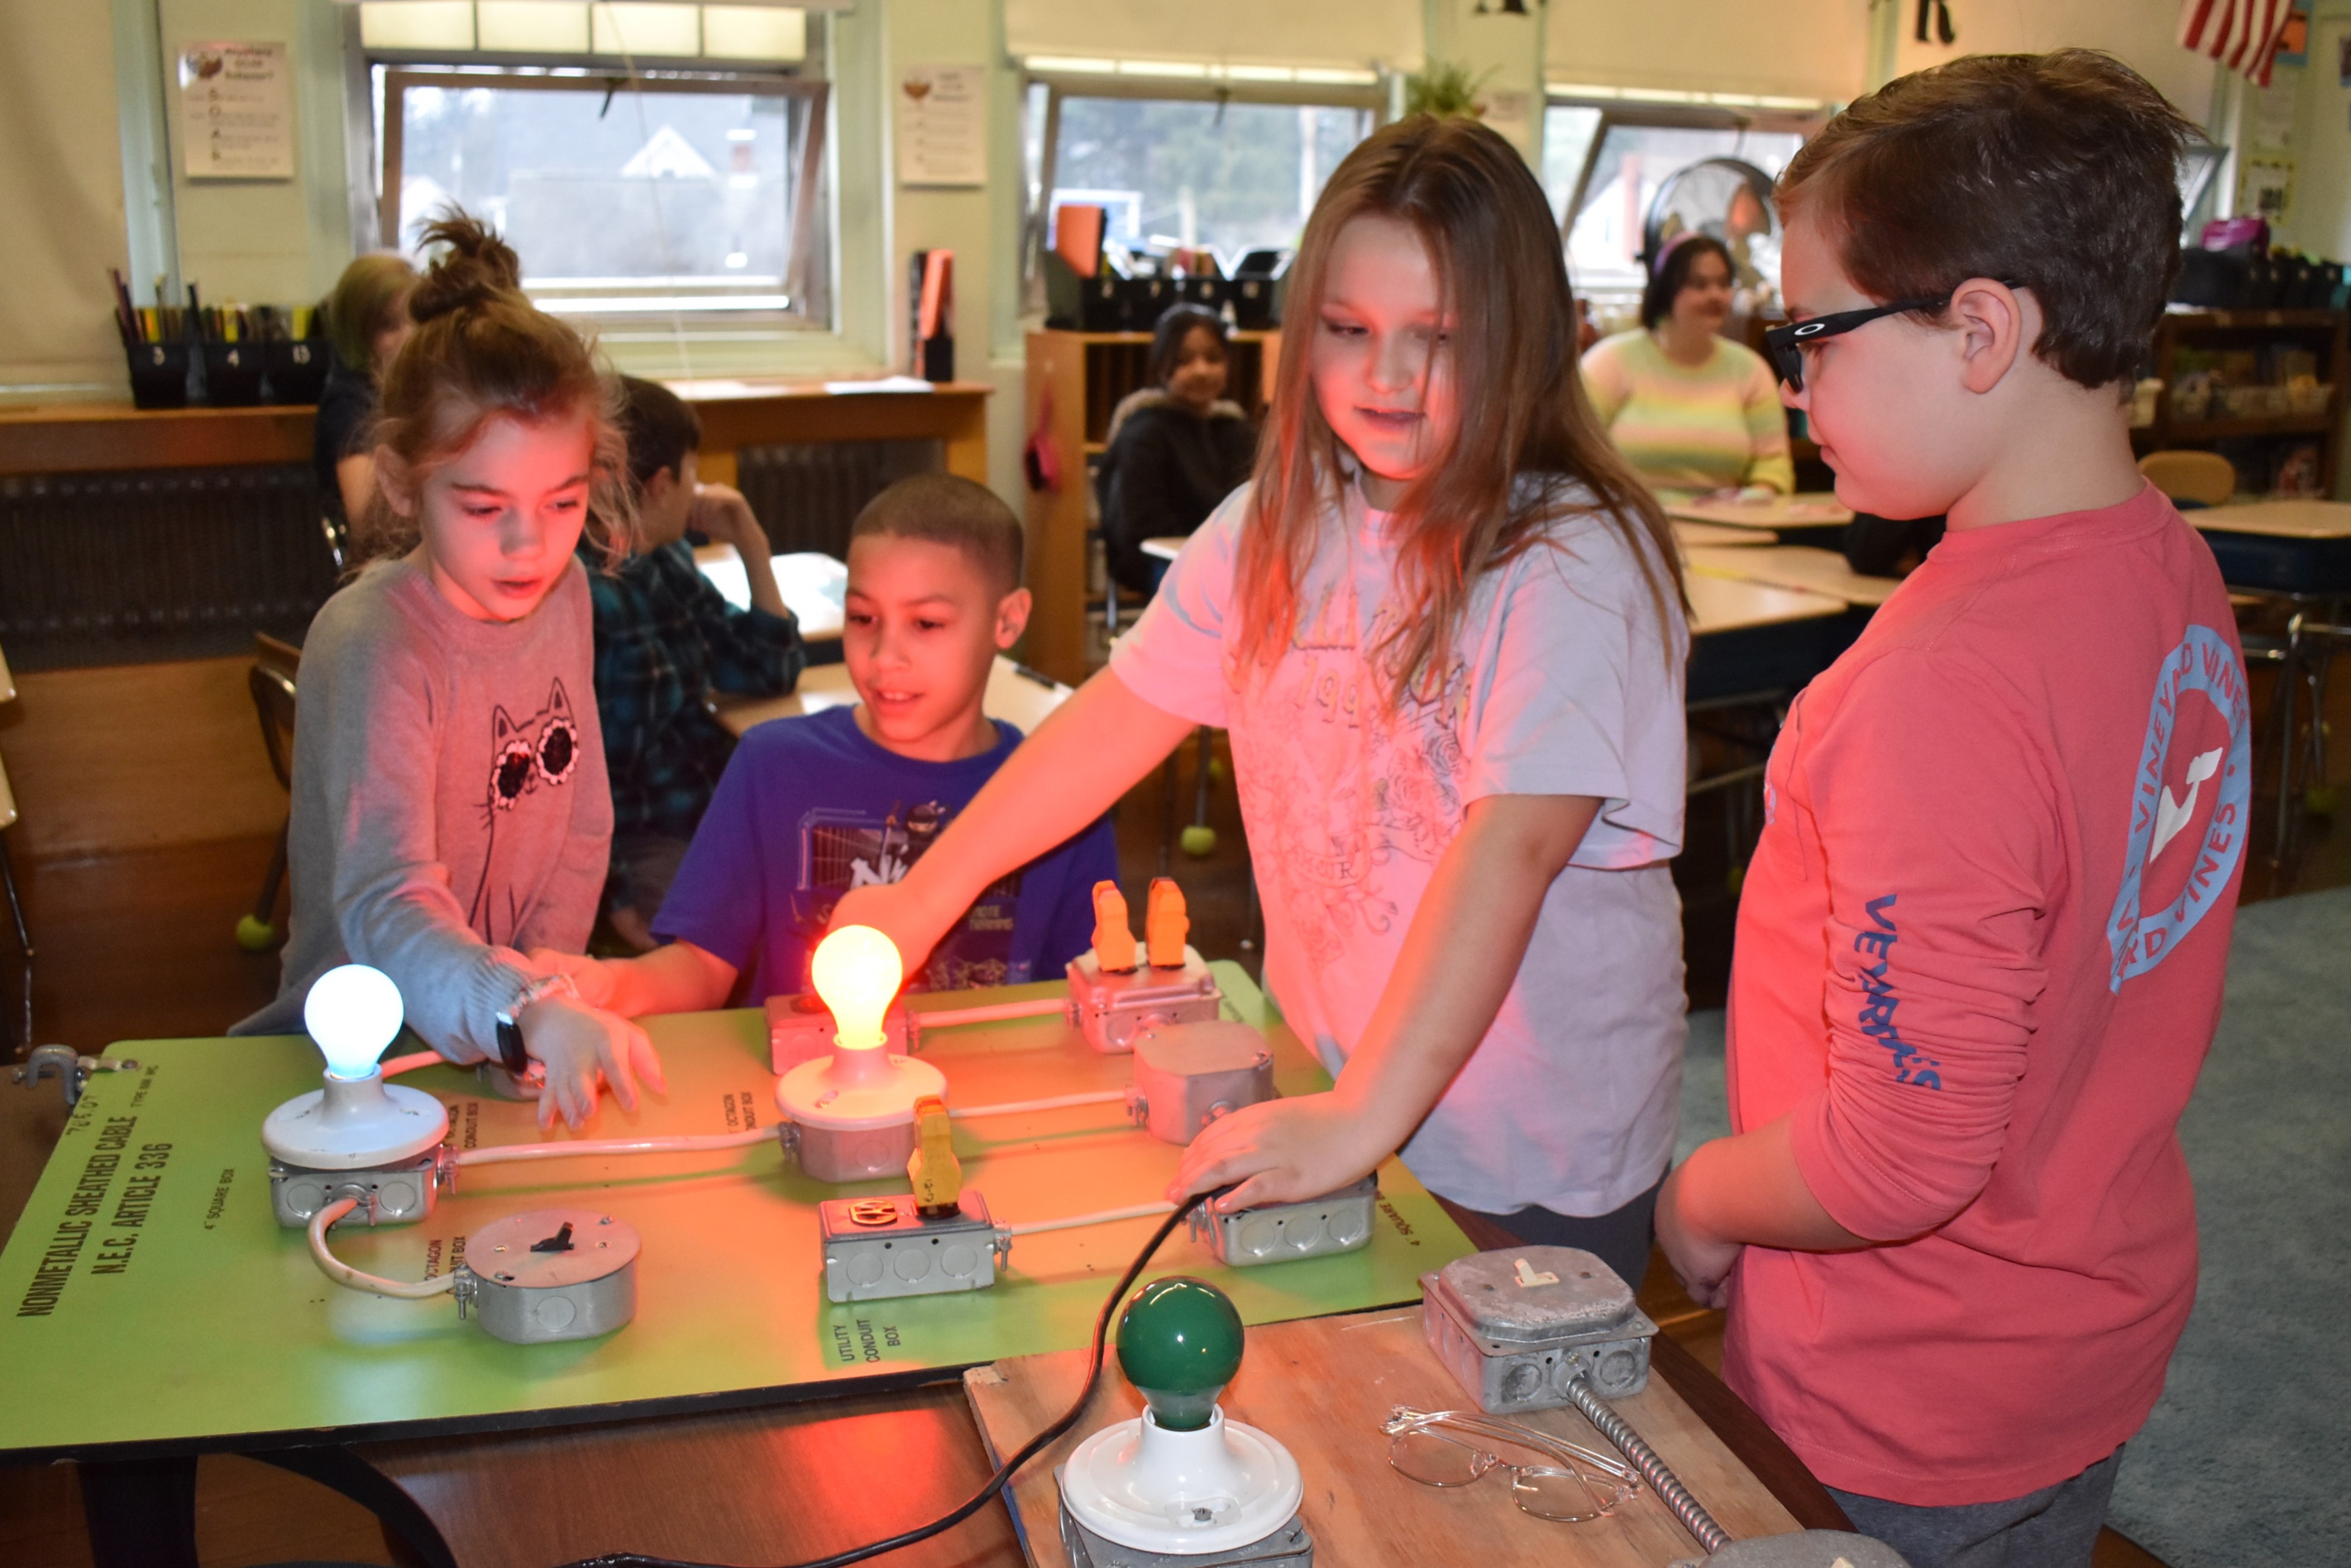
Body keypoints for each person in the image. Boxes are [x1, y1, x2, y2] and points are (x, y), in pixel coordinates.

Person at [826, 115, 1691, 1291]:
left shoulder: (1569, 559)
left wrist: (1358, 1118)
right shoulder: (1271, 530)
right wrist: (914, 905)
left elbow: (1511, 851)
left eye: (1436, 338)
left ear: (1523, 339)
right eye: (1348, 331)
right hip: (1328, 1093)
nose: (1386, 377)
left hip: (1522, 1154)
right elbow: (1107, 725)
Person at [1654, 52, 2246, 1568]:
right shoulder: (2167, 569)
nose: (1791, 383)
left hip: (1903, 1390)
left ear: (1981, 330)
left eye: (1816, 335)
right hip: (2082, 1331)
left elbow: (1907, 1155)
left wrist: (1706, 1193)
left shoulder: (1931, 691)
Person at [233, 214, 663, 1132]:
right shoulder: (372, 642)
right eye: (482, 505)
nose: (529, 543)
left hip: (505, 1033)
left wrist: (540, 995)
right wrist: (520, 1008)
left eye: (563, 501)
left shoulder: (569, 593)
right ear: (400, 482)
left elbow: (581, 820)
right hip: (354, 1071)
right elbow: (386, 899)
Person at [561, 473, 1119, 1012]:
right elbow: (701, 967)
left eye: (926, 624)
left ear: (1008, 620)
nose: (882, 657)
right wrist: (615, 984)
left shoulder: (1059, 797)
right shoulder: (771, 763)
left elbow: (1085, 995)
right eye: (863, 617)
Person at [587, 376, 805, 951]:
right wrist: (617, 901)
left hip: (713, 812)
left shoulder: (668, 558)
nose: (699, 488)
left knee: (813, 904)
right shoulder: (585, 599)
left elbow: (766, 670)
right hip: (645, 840)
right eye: (693, 471)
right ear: (662, 485)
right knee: (728, 953)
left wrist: (752, 545)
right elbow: (583, 782)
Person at [1581, 233, 1795, 501]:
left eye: (1724, 283)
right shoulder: (1609, 362)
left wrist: (1753, 499)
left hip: (1730, 531)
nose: (1716, 295)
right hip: (1627, 526)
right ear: (1665, 290)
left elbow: (1773, 469)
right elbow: (1576, 459)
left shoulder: (1751, 370)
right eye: (1699, 284)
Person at [1095, 304, 1259, 596]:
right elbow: (1141, 527)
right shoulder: (1144, 432)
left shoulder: (1238, 429)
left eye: (1213, 358)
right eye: (1184, 360)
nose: (1201, 370)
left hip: (1232, 563)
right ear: (1162, 367)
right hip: (1165, 564)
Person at [314, 252, 418, 532]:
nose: (407, 336)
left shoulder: (409, 391)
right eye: (388, 326)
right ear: (357, 332)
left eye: (414, 320)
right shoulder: (349, 403)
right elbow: (367, 519)